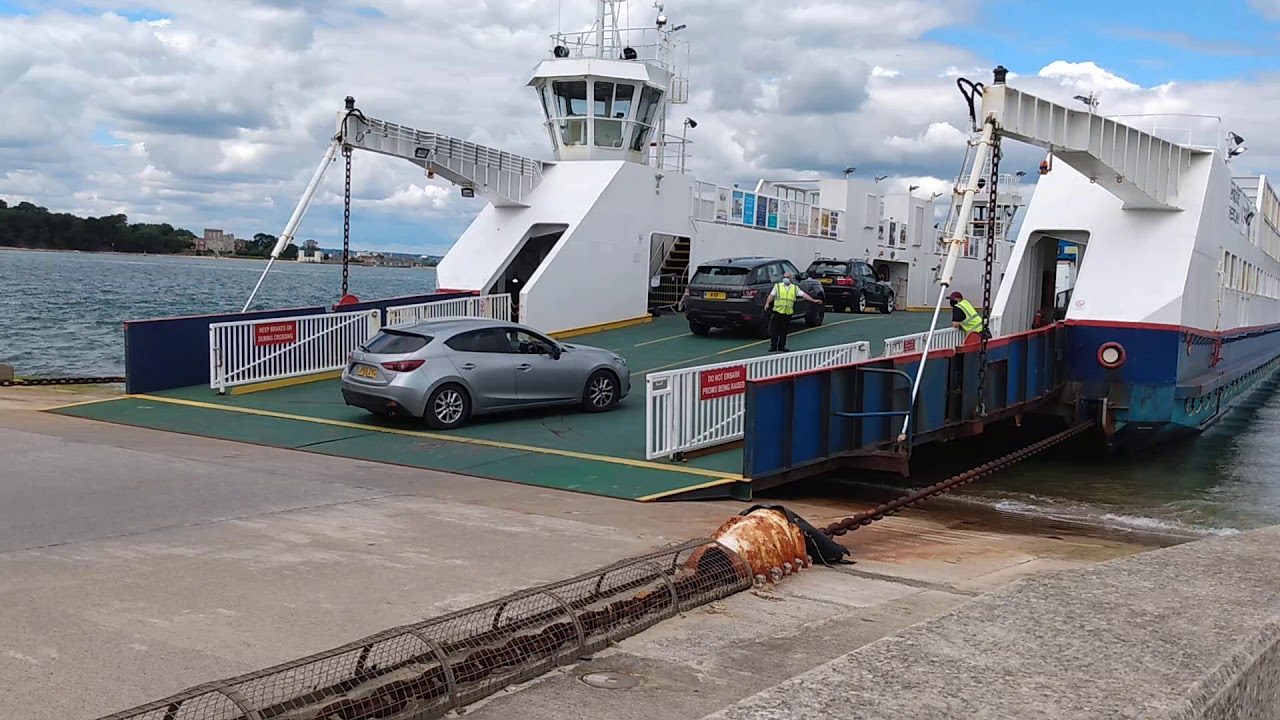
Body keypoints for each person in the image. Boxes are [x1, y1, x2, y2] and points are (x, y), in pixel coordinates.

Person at [764, 271, 820, 352]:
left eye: (787, 277)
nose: (785, 279)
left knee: (784, 331)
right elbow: (771, 295)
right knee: (774, 330)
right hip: (778, 311)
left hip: (787, 313)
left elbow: (803, 295)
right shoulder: (778, 286)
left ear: (791, 279)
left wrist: (813, 300)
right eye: (784, 277)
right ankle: (773, 346)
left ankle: (782, 346)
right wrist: (767, 303)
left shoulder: (794, 288)